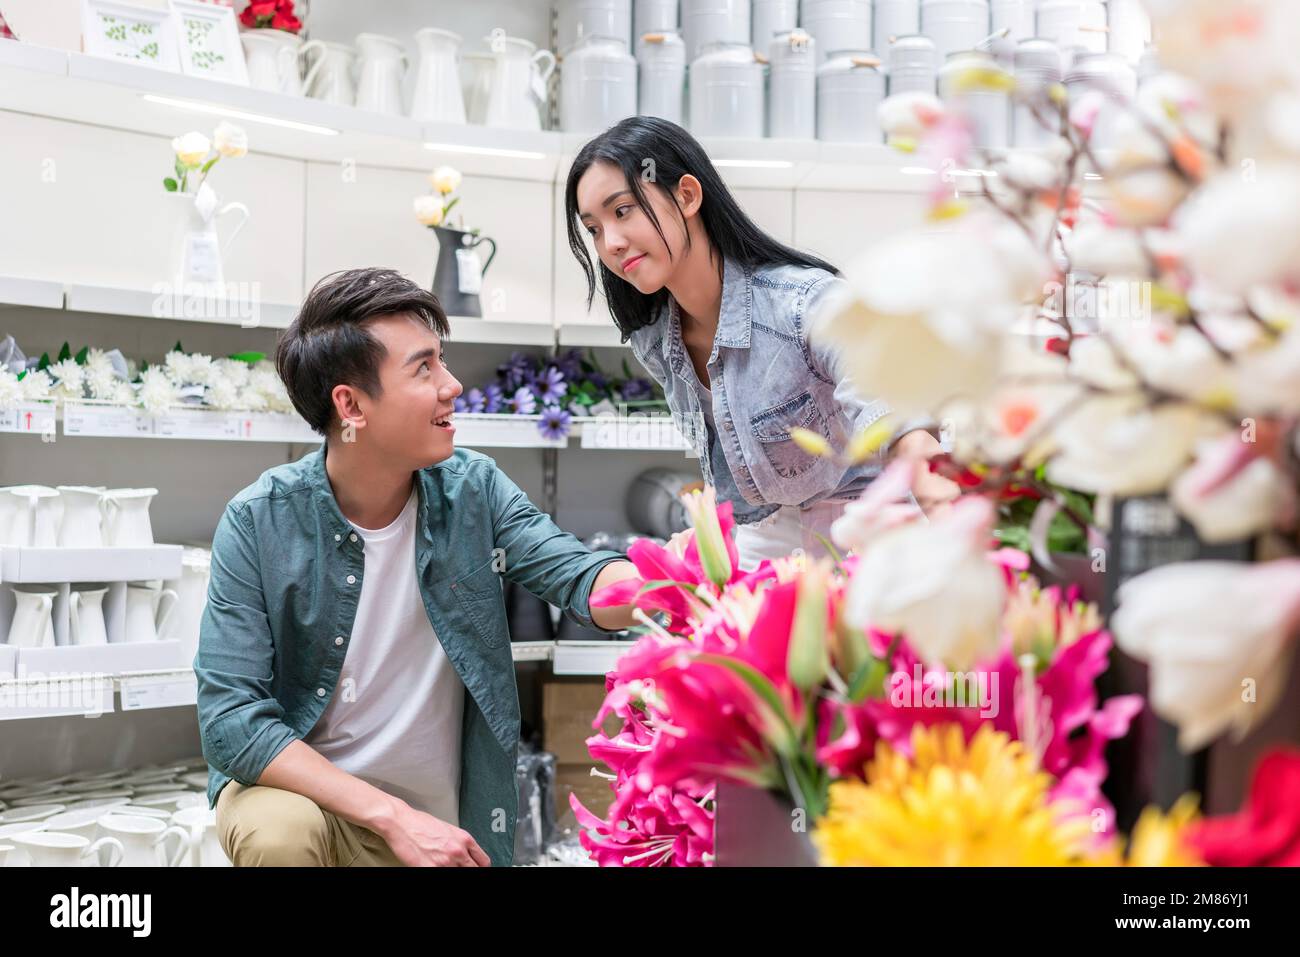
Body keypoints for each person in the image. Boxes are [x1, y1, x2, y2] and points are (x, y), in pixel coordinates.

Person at [194, 267, 640, 867]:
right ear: (350, 405)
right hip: (324, 812)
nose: (452, 386)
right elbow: (231, 720)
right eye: (423, 368)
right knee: (280, 832)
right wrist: (390, 815)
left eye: (443, 361)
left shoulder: (473, 490)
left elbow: (580, 578)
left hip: (448, 826)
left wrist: (682, 585)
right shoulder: (259, 522)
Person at [566, 116, 959, 567]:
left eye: (622, 211)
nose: (610, 242)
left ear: (687, 195)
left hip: (869, 527)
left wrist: (935, 490)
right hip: (770, 536)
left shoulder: (803, 302)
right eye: (593, 228)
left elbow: (887, 401)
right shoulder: (656, 338)